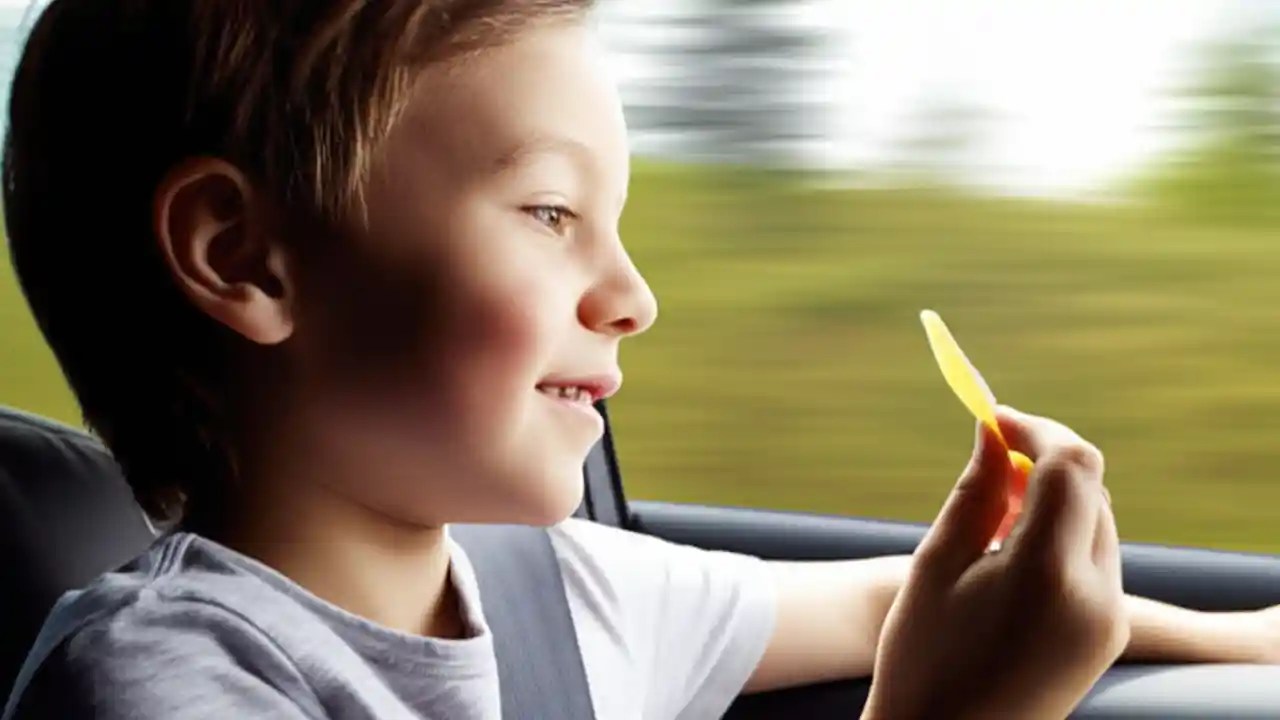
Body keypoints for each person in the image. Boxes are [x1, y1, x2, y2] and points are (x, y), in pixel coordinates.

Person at [1, 1, 1276, 718]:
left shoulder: (565, 593)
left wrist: (1250, 640)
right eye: (551, 214)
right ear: (246, 259)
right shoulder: (164, 684)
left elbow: (894, 604)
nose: (635, 298)